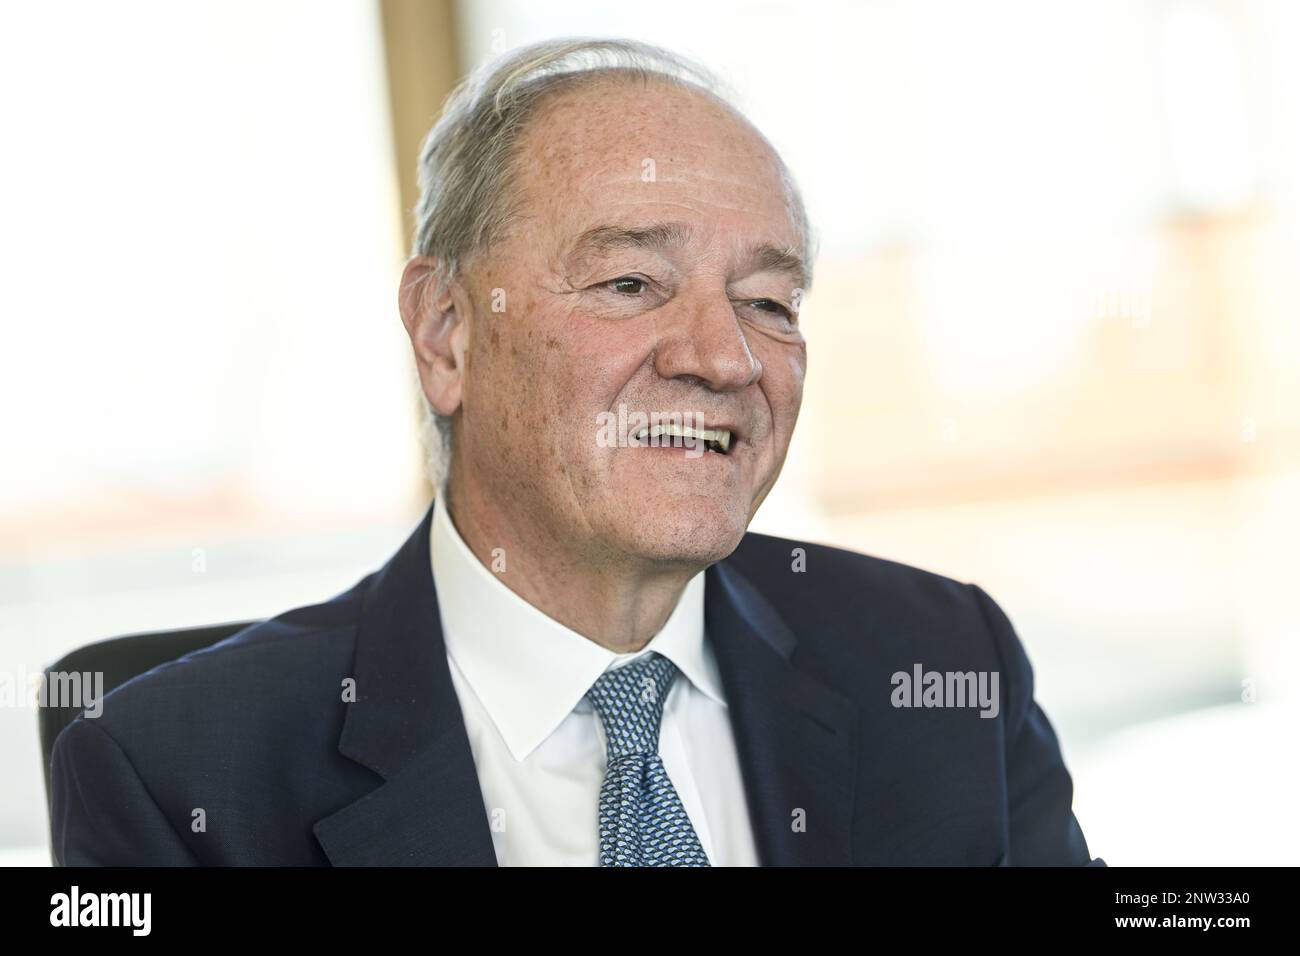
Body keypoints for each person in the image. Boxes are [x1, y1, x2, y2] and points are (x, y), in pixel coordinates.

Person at [49, 37, 1101, 867]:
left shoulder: (938, 660)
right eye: (630, 283)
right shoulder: (176, 769)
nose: (724, 358)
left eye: (768, 301)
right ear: (446, 331)